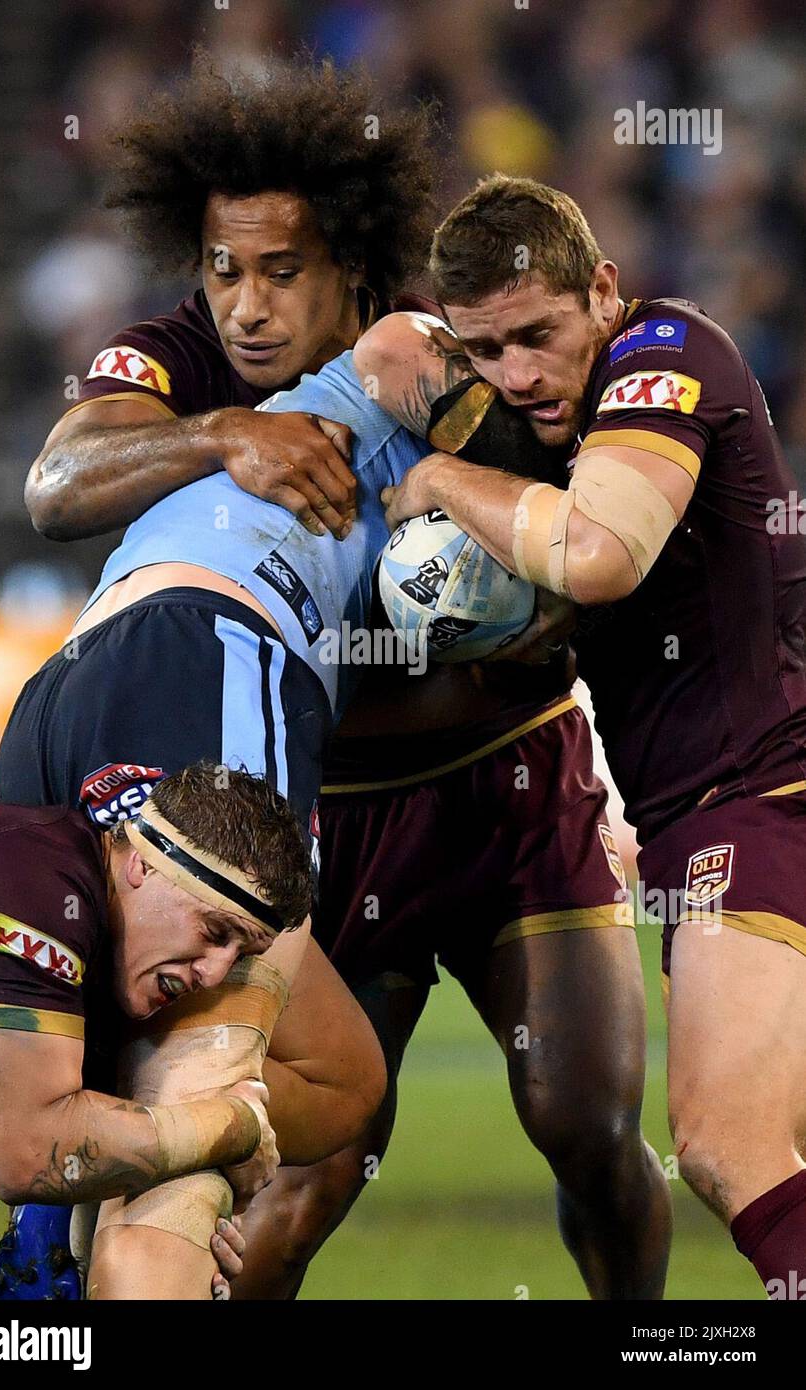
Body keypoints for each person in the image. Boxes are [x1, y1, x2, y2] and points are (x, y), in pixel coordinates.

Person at [0, 56, 670, 1301]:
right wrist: (222, 437)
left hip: (507, 776)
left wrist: (503, 604)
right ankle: (107, 1250)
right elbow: (51, 489)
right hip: (328, 800)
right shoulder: (171, 367)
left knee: (587, 1120)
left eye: (280, 273)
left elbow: (566, 510)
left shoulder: (422, 350)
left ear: (350, 269)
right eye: (221, 272)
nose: (245, 308)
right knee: (311, 1149)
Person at [365, 173, 806, 1300]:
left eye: (536, 335)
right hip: (718, 805)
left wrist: (441, 478)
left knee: (721, 1141)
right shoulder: (557, 443)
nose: (516, 373)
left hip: (764, 793)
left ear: (600, 292)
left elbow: (600, 553)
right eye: (485, 349)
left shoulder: (664, 351)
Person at [0, 763, 311, 1300]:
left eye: (239, 955)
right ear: (142, 864)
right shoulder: (35, 889)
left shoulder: (89, 927)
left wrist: (192, 1223)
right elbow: (19, 1153)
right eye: (213, 933)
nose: (212, 973)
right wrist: (235, 1128)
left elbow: (11, 1124)